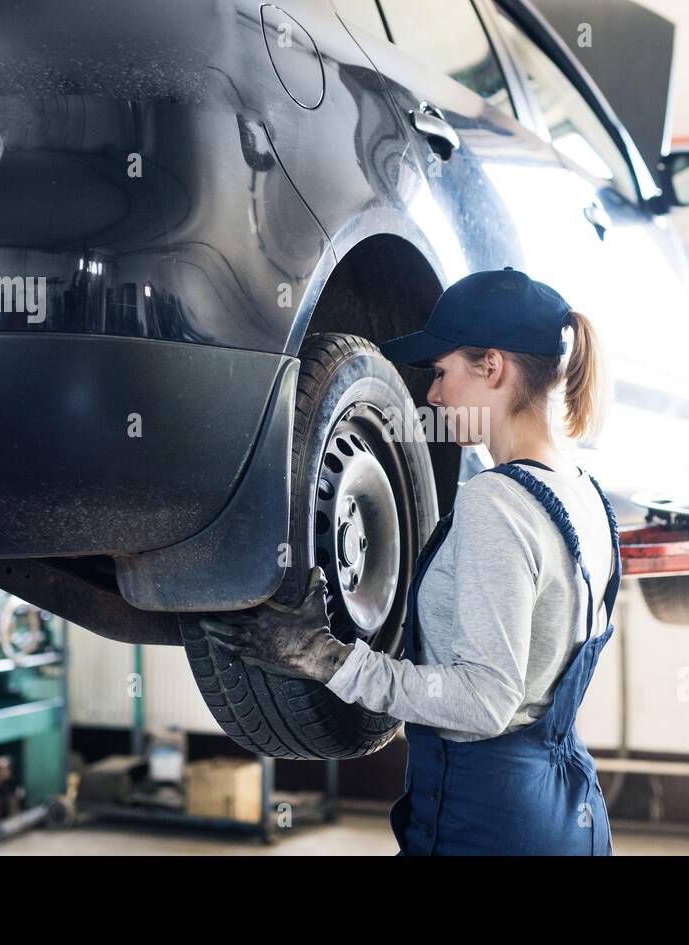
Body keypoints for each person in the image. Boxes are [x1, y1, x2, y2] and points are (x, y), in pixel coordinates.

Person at [203, 267, 622, 855]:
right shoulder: (586, 495)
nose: (432, 395)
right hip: (567, 810)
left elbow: (483, 702)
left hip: (490, 823)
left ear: (492, 368)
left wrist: (326, 659)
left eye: (442, 372)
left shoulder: (498, 500)